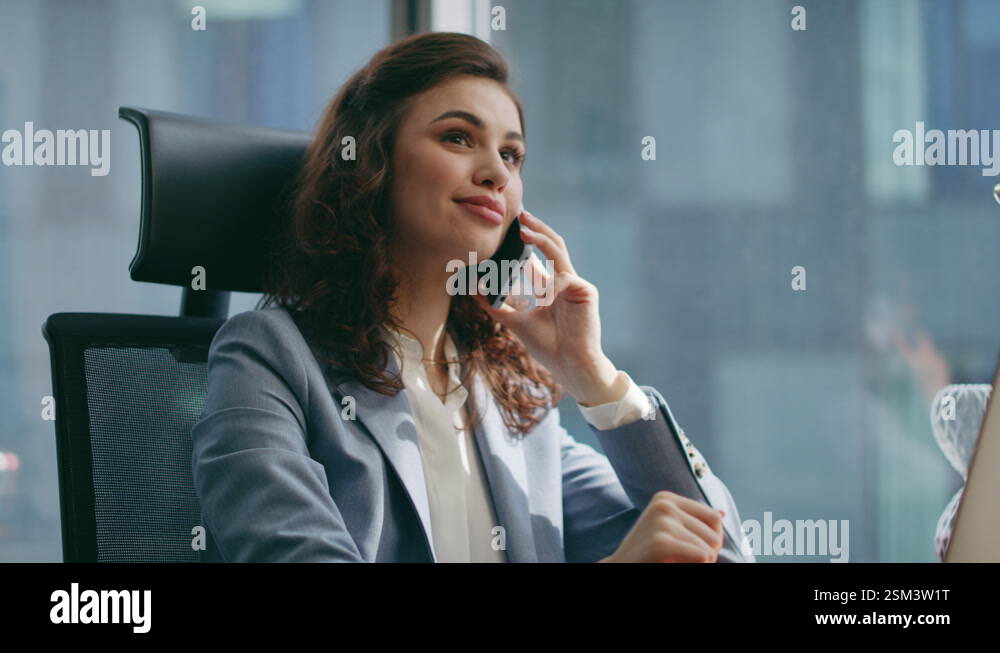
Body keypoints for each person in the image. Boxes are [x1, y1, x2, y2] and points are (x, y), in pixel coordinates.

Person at [191, 31, 754, 563]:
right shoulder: (269, 355)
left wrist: (591, 374)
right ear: (374, 160)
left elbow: (722, 551)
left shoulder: (508, 398)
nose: (495, 173)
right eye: (458, 137)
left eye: (512, 155)